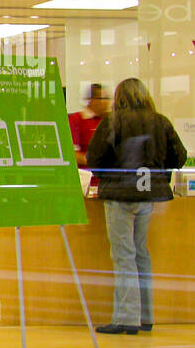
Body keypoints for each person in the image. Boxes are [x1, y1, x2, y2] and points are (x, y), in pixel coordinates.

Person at [86, 77, 186, 335]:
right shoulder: (160, 121)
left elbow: (94, 158)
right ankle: (145, 315)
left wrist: (110, 176)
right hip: (149, 196)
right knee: (141, 252)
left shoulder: (112, 122)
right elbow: (180, 156)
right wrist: (158, 175)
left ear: (119, 97)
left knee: (123, 255)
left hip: (120, 195)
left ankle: (126, 318)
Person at [69, 81, 111, 172]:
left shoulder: (109, 120)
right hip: (87, 179)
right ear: (92, 100)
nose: (108, 102)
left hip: (108, 179)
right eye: (104, 98)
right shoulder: (76, 120)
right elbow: (72, 154)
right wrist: (98, 163)